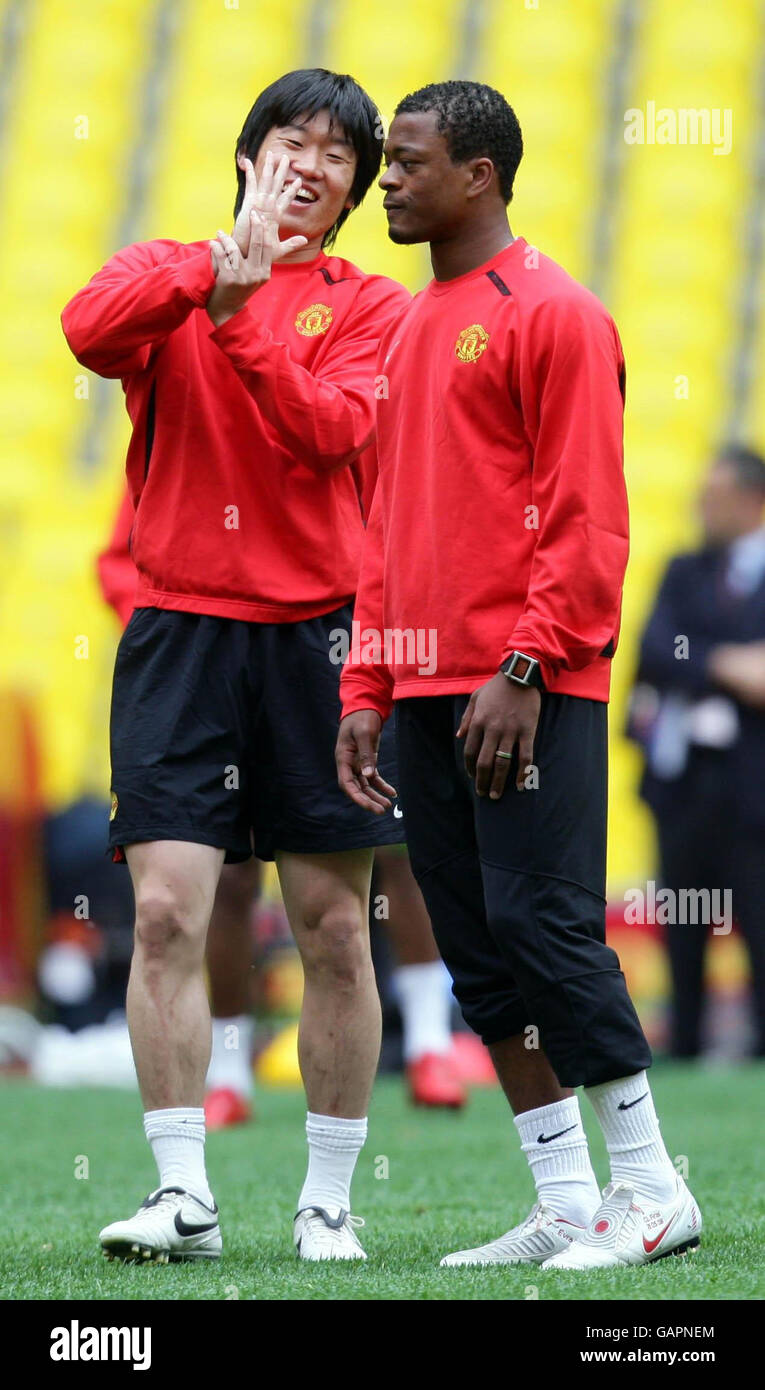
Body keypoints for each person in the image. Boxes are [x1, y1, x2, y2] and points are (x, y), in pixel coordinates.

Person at [337, 80, 703, 1270]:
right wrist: (366, 689)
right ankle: (563, 1193)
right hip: (427, 688)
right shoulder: (403, 326)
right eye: (386, 164)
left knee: (549, 927)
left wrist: (531, 662)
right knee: (481, 946)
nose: (383, 181)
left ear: (478, 174)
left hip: (530, 682)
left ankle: (651, 1188)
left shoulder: (556, 313)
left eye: (405, 162)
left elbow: (591, 520)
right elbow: (387, 526)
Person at [62, 68, 412, 1265]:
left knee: (331, 927)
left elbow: (334, 430)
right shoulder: (164, 267)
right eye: (291, 139)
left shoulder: (373, 306)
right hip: (178, 631)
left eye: (339, 154)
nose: (311, 163)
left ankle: (327, 1200)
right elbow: (86, 329)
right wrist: (204, 276)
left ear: (359, 187)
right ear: (250, 151)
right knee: (163, 914)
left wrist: (240, 316)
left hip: (320, 636)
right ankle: (181, 1194)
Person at [98, 487, 467, 1113]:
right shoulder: (189, 417)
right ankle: (230, 1068)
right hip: (204, 653)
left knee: (390, 861)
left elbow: (381, 497)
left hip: (328, 639)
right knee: (223, 884)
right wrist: (171, 620)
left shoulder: (343, 393)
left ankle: (431, 1042)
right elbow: (117, 556)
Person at [631, 445, 765, 1059]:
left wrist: (700, 658)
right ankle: (684, 1044)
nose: (700, 511)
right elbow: (656, 650)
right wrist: (728, 662)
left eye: (714, 499)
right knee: (682, 922)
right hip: (686, 785)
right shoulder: (684, 569)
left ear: (751, 500)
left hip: (754, 786)